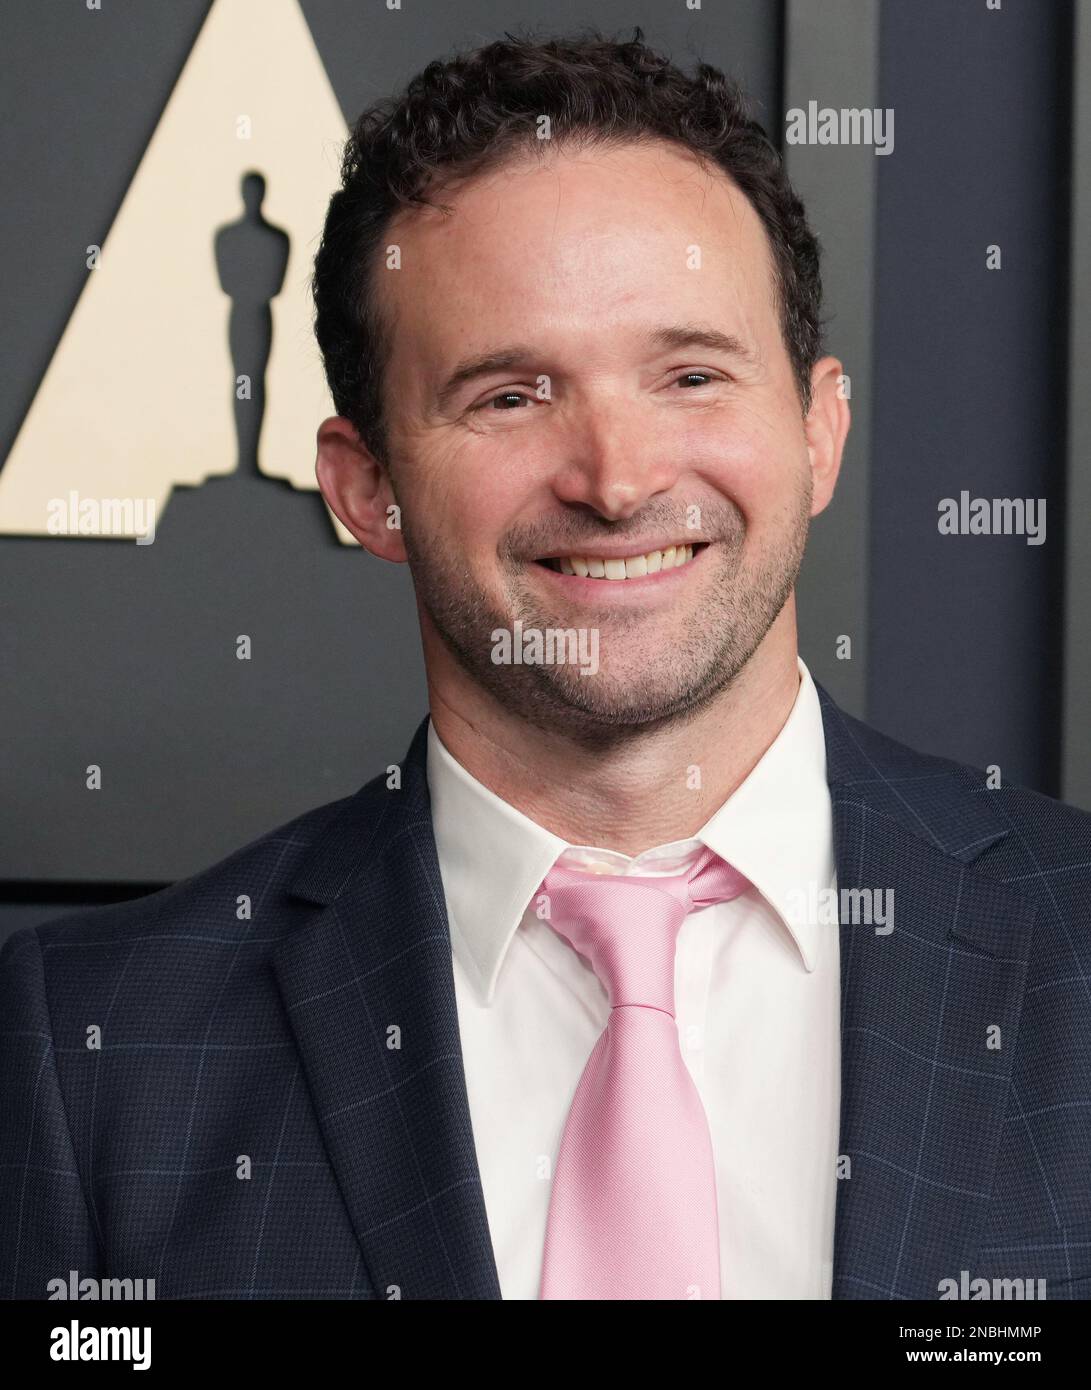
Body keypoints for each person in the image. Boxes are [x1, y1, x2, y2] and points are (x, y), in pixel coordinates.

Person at [3, 28, 1089, 1303]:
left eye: (689, 373)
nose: (617, 478)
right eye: (509, 396)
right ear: (366, 490)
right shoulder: (96, 1051)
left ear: (817, 429)